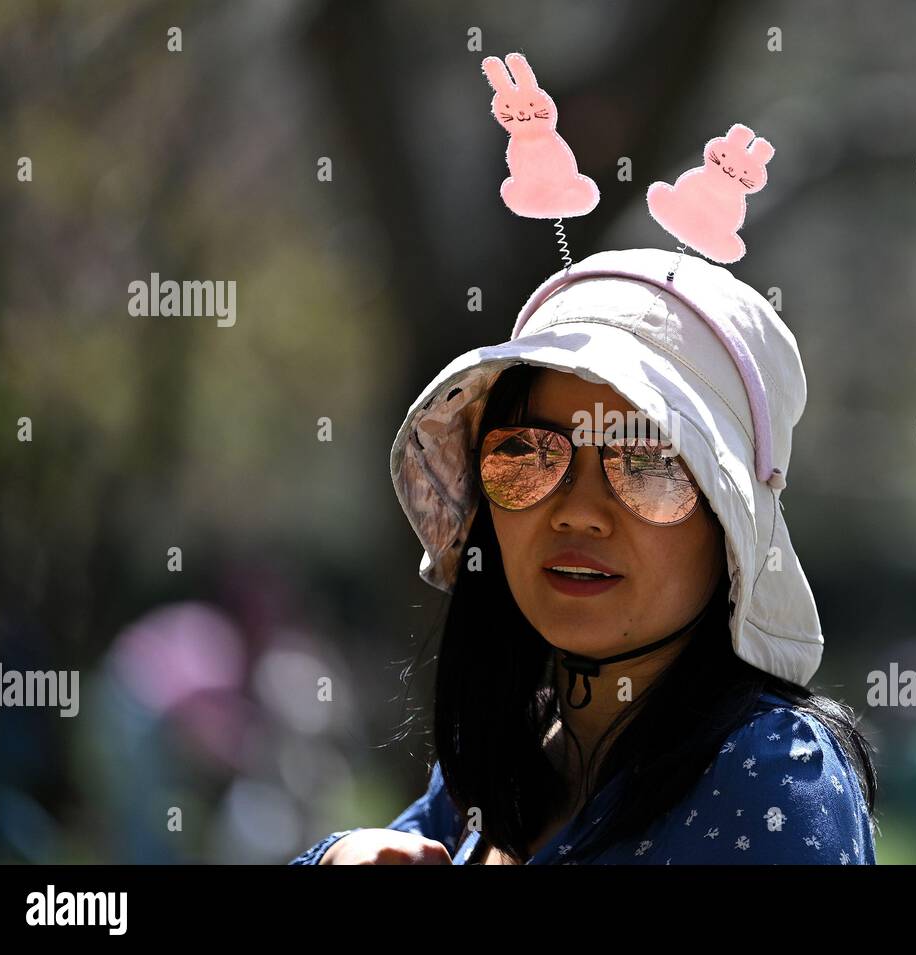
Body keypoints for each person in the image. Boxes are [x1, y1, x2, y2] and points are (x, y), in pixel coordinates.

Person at [290, 247, 878, 864]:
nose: (577, 511)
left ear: (729, 530)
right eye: (527, 452)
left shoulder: (770, 774)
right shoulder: (502, 764)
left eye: (649, 462)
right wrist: (342, 855)